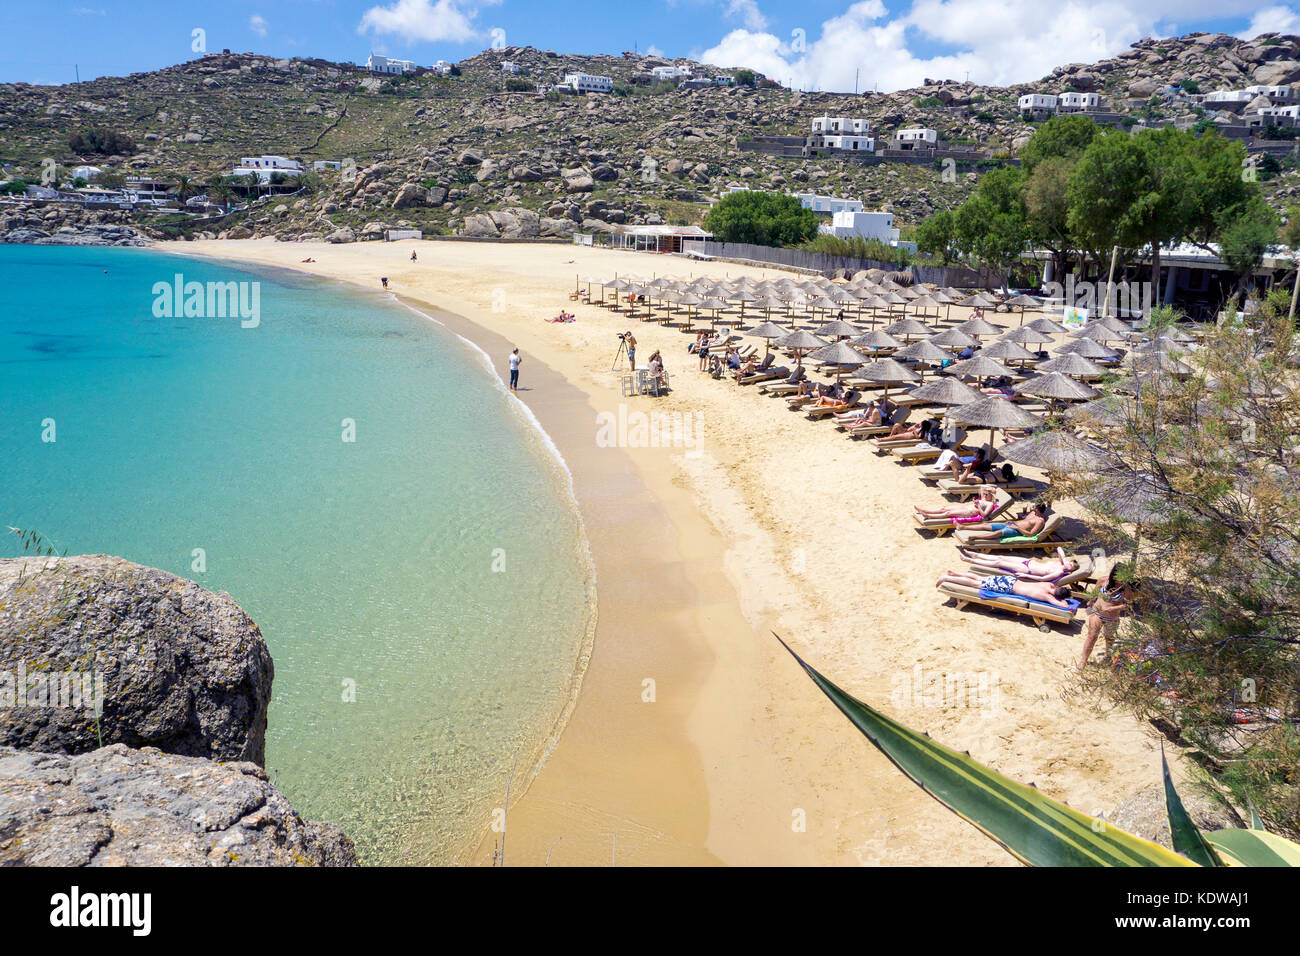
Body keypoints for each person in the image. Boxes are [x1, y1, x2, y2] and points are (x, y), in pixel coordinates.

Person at [1077, 572, 1136, 670]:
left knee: (1109, 639)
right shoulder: (1103, 580)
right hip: (1097, 614)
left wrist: (1112, 609)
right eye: (1120, 578)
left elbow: (1128, 605)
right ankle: (1083, 660)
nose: (1122, 581)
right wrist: (1090, 602)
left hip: (1112, 618)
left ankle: (1107, 656)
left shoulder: (1126, 588)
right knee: (1091, 637)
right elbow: (1094, 594)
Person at [934, 569, 1074, 608]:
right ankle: (946, 578)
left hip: (1010, 580)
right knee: (976, 585)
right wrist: (1067, 600)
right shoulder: (1047, 596)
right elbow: (1064, 606)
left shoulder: (1047, 585)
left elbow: (1056, 588)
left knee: (979, 578)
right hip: (1007, 587)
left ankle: (954, 573)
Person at [957, 546, 1080, 582]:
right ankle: (975, 554)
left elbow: (1043, 578)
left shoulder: (1059, 572)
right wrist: (1064, 560)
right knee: (1000, 557)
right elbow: (1059, 548)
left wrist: (1026, 576)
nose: (1069, 565)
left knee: (998, 562)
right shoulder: (1061, 563)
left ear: (1070, 570)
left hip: (1026, 569)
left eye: (1071, 566)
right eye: (1070, 563)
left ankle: (969, 560)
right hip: (1028, 561)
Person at [962, 502, 1048, 541]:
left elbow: (1031, 534)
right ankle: (963, 527)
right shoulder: (1033, 513)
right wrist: (1013, 521)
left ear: (1037, 509)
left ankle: (975, 537)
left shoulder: (1040, 521)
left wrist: (1017, 528)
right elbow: (1024, 520)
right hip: (1012, 524)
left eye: (1034, 507)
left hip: (1018, 531)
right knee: (986, 524)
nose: (1033, 508)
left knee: (999, 532)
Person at [915, 487, 999, 523]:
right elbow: (982, 487)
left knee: (948, 513)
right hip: (966, 507)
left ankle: (929, 516)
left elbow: (984, 515)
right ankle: (925, 510)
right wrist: (975, 501)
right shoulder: (984, 498)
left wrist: (978, 505)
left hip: (970, 511)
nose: (984, 495)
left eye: (986, 494)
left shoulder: (990, 504)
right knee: (944, 508)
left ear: (992, 496)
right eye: (984, 493)